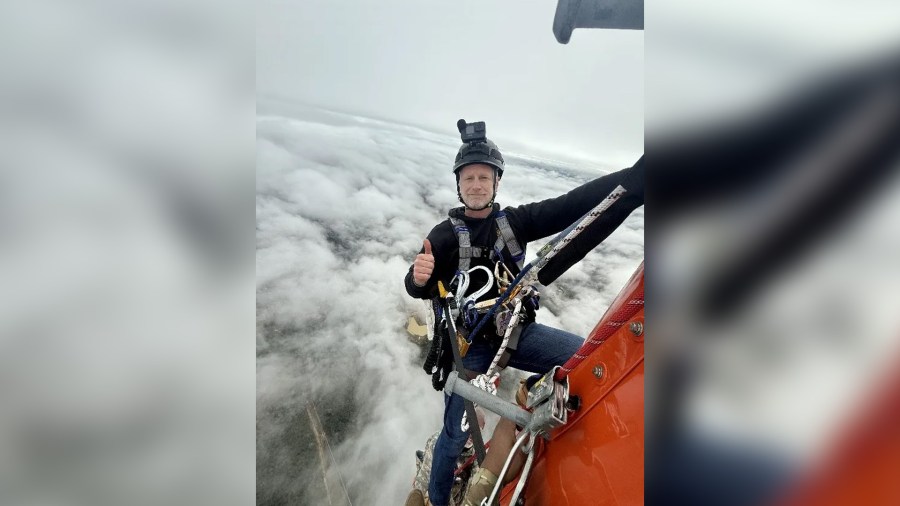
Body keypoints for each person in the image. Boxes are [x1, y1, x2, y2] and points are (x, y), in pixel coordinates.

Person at [405, 122, 644, 506]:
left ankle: (527, 396)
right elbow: (419, 280)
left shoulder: (514, 223)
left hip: (516, 334)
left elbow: (573, 205)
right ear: (459, 184)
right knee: (453, 432)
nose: (477, 184)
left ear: (496, 183)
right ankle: (436, 498)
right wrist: (417, 280)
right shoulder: (445, 234)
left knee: (585, 359)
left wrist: (634, 181)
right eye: (470, 178)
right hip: (473, 346)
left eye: (484, 177)